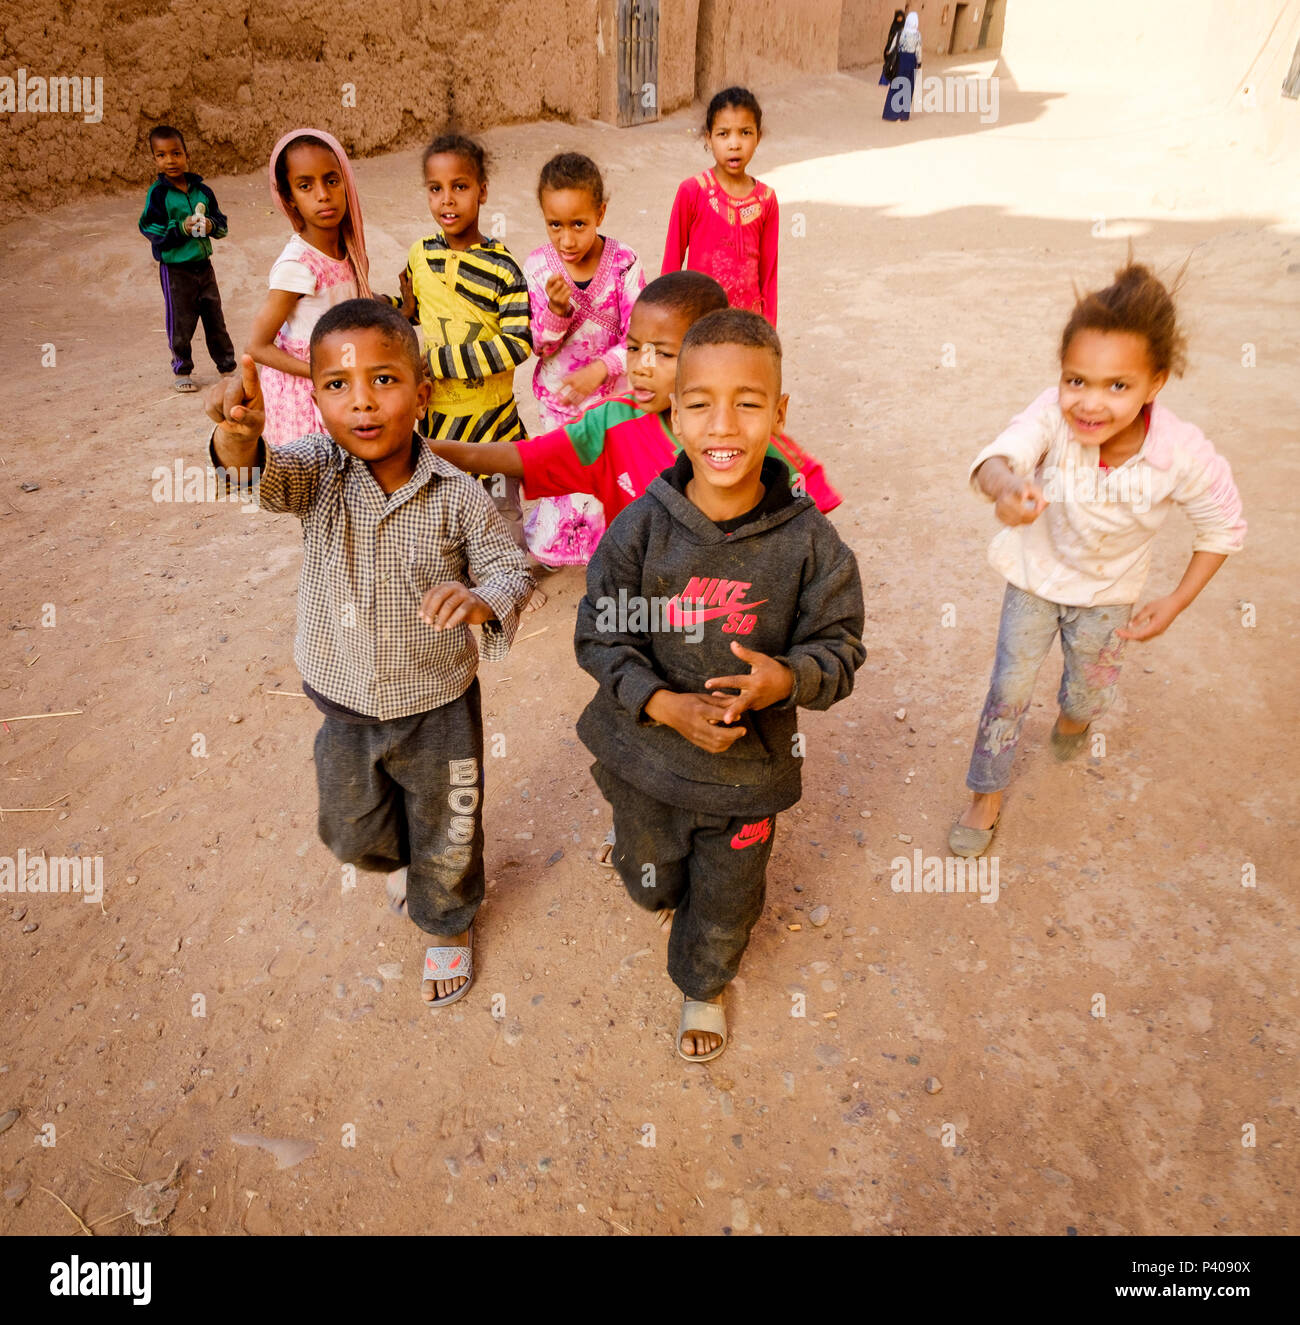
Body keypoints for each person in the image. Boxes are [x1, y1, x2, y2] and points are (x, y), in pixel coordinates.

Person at [205, 300, 534, 1007]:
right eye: (336, 384)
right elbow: (254, 475)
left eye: (383, 380)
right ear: (315, 397)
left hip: (437, 702)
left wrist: (483, 600)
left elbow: (510, 567)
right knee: (351, 828)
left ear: (422, 392)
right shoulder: (316, 471)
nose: (361, 400)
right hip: (343, 697)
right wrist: (238, 436)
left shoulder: (457, 493)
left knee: (448, 823)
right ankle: (399, 857)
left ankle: (447, 921)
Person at [573, 309, 865, 1061]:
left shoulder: (811, 545)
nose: (723, 424)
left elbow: (840, 650)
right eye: (699, 402)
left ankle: (703, 981)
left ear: (780, 411)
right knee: (651, 882)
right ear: (673, 414)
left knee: (728, 895)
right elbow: (600, 634)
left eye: (748, 401)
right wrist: (662, 703)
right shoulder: (640, 530)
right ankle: (644, 861)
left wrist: (786, 678)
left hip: (747, 778)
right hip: (644, 761)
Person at [949, 261, 1246, 858]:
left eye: (1118, 386)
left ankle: (1075, 720)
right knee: (1008, 688)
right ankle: (986, 791)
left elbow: (1222, 526)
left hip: (1109, 599)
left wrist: (1175, 602)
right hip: (1034, 581)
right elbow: (998, 456)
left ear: (1155, 383)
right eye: (1075, 380)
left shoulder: (1180, 453)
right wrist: (1006, 487)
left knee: (1086, 694)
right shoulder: (1051, 418)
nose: (1090, 403)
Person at [390, 134, 534, 558]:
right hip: (439, 422)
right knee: (445, 507)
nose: (447, 200)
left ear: (482, 191)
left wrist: (436, 360)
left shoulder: (504, 269)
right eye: (436, 189)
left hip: (492, 423)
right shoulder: (420, 255)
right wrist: (394, 306)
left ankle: (513, 576)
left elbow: (517, 345)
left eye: (460, 187)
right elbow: (421, 312)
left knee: (501, 508)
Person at [522, 152, 645, 566]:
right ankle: (560, 546)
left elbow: (639, 338)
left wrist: (602, 369)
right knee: (568, 473)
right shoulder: (539, 268)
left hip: (612, 397)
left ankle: (610, 551)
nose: (568, 240)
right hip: (560, 397)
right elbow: (539, 345)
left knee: (608, 474)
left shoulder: (625, 262)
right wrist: (556, 314)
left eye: (579, 224)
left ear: (600, 213)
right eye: (555, 225)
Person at [248, 129, 374, 446]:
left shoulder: (348, 252)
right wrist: (318, 374)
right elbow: (258, 346)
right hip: (304, 399)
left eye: (332, 180)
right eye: (306, 186)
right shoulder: (298, 266)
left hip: (339, 386)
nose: (323, 194)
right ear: (289, 198)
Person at [661, 87, 779, 325]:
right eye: (723, 134)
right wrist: (667, 321)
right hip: (699, 322)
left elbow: (769, 276)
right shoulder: (692, 192)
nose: (734, 144)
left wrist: (768, 331)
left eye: (745, 133)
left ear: (759, 136)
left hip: (747, 324)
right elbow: (672, 264)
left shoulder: (766, 200)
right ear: (708, 138)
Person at [137, 125, 237, 393]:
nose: (170, 160)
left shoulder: (202, 191)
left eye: (176, 153)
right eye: (161, 155)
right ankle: (182, 369)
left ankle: (227, 366)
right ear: (155, 159)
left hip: (204, 267)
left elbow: (223, 225)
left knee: (214, 317)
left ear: (186, 155)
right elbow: (149, 228)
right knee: (180, 321)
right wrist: (181, 228)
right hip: (176, 270)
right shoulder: (158, 194)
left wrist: (209, 226)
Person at [883, 12, 922, 122]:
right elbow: (918, 50)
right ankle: (902, 115)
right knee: (907, 87)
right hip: (911, 61)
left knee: (896, 85)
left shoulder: (900, 33)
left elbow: (893, 46)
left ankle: (891, 114)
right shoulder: (917, 35)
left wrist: (889, 55)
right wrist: (919, 63)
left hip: (900, 61)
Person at [880, 9, 906, 86]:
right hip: (892, 47)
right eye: (898, 17)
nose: (899, 19)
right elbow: (890, 38)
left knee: (896, 65)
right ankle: (884, 81)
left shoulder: (904, 27)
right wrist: (888, 48)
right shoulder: (894, 25)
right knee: (888, 64)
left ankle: (894, 82)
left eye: (901, 17)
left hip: (899, 49)